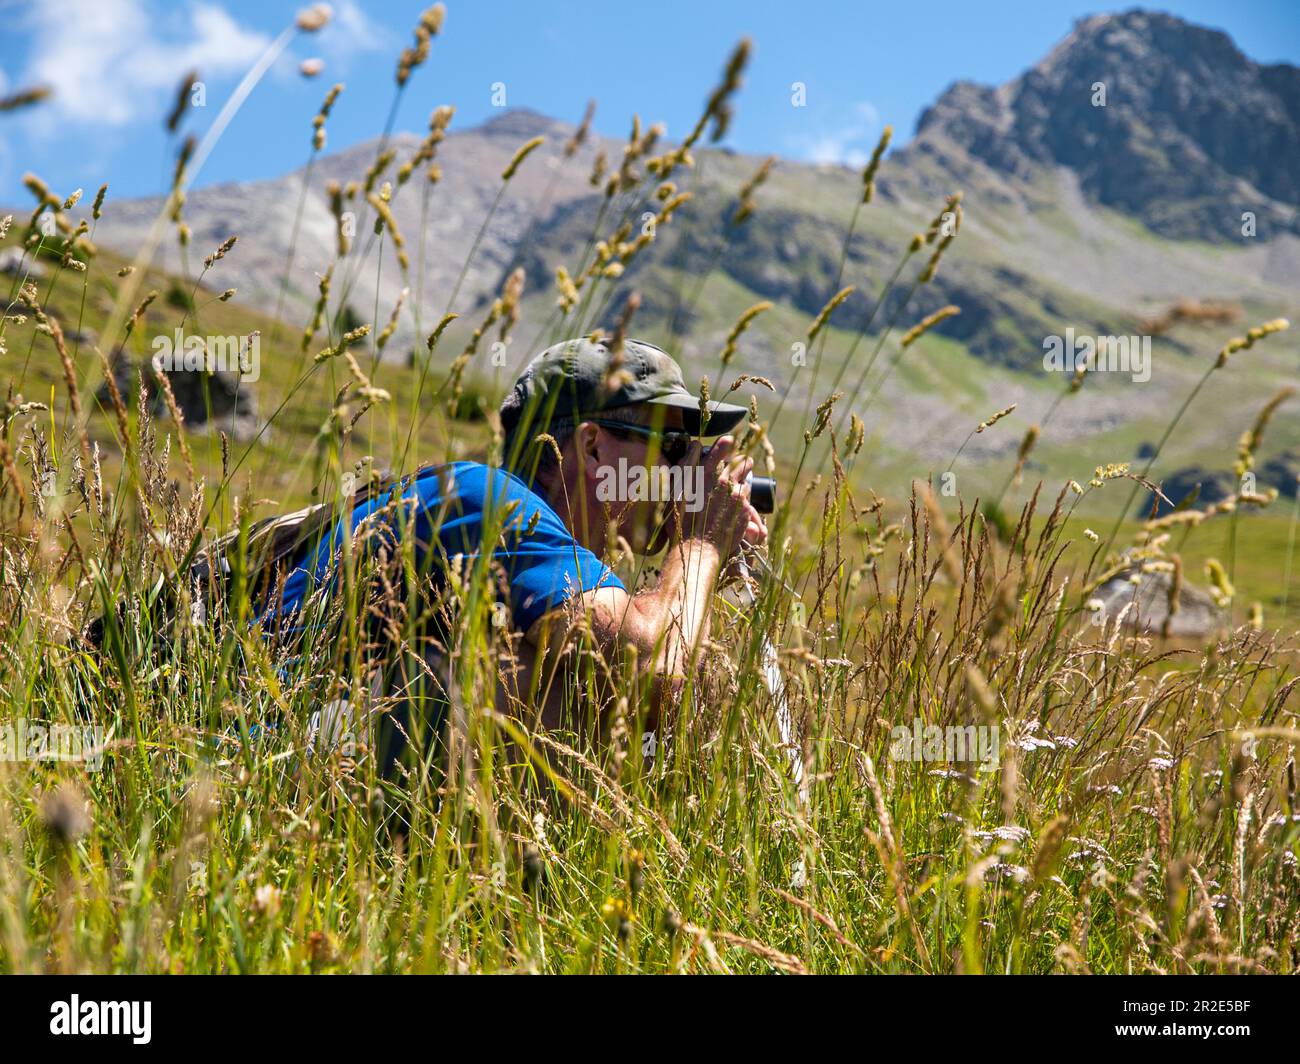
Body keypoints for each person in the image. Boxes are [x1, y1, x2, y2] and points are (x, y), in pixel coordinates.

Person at [260, 336, 768, 774]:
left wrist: (700, 575)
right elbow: (656, 676)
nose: (687, 472)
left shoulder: (512, 524)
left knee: (584, 670)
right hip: (264, 757)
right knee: (553, 683)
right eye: (675, 447)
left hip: (311, 753)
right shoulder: (494, 502)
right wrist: (701, 543)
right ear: (592, 447)